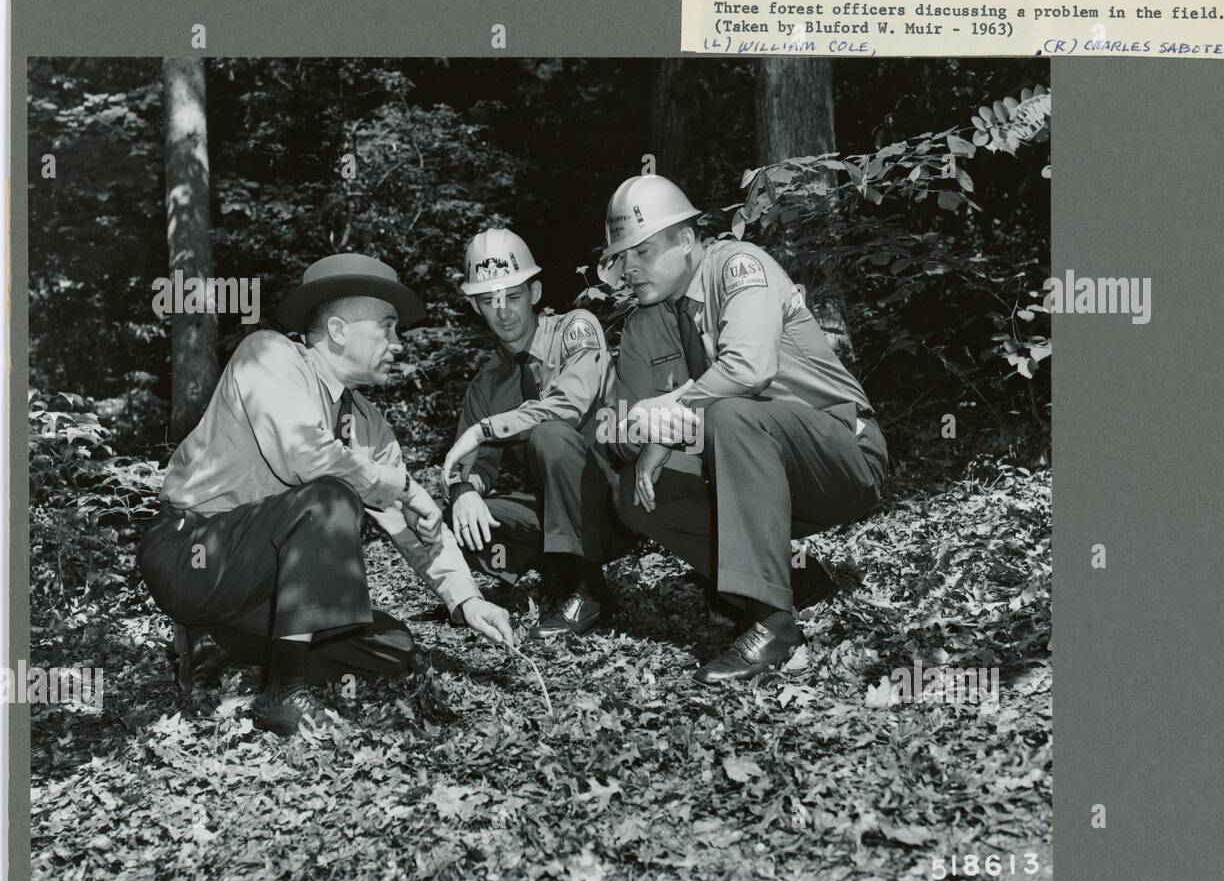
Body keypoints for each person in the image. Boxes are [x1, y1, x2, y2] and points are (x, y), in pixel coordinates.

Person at [139, 253, 514, 736]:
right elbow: (306, 457)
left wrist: (466, 599)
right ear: (338, 330)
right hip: (192, 556)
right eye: (387, 327)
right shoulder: (268, 354)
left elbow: (412, 524)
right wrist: (399, 486)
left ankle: (219, 641)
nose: (397, 344)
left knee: (393, 647)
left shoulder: (367, 423)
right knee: (330, 497)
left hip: (263, 586)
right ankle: (283, 691)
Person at [597, 175, 888, 686]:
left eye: (642, 250)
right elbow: (630, 422)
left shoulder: (737, 266)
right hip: (757, 469)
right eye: (622, 257)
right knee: (638, 493)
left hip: (842, 453)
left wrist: (669, 413)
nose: (629, 268)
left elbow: (747, 371)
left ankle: (773, 624)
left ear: (686, 240)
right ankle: (792, 579)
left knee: (730, 414)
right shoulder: (649, 320)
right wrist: (652, 441)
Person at [440, 228, 619, 639]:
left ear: (535, 292)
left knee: (549, 435)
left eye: (513, 296)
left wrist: (487, 428)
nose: (502, 312)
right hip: (552, 508)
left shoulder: (577, 329)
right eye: (488, 300)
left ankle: (589, 589)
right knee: (464, 515)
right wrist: (464, 490)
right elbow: (473, 466)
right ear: (474, 305)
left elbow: (569, 404)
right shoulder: (486, 384)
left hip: (613, 498)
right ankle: (557, 565)